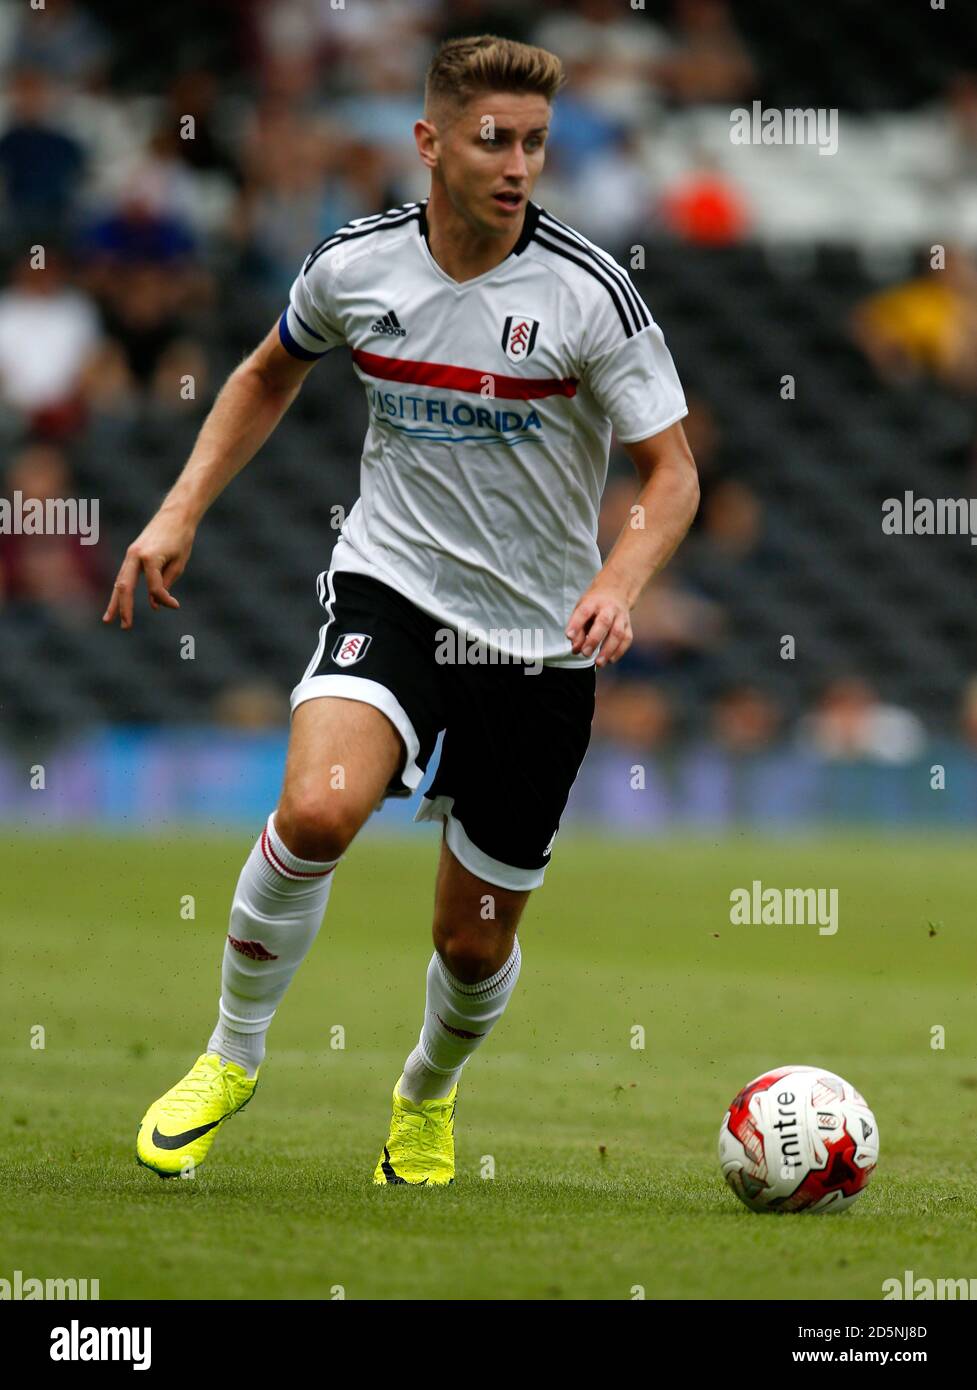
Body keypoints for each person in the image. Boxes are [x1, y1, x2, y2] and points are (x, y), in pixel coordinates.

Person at [104, 35, 698, 1186]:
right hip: (395, 587)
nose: (518, 163)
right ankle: (230, 1054)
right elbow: (265, 372)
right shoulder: (354, 266)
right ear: (428, 143)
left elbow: (671, 472)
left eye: (533, 143)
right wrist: (178, 510)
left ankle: (425, 1091)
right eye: (493, 139)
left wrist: (615, 584)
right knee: (320, 812)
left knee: (470, 944)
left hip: (534, 641)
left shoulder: (587, 293)